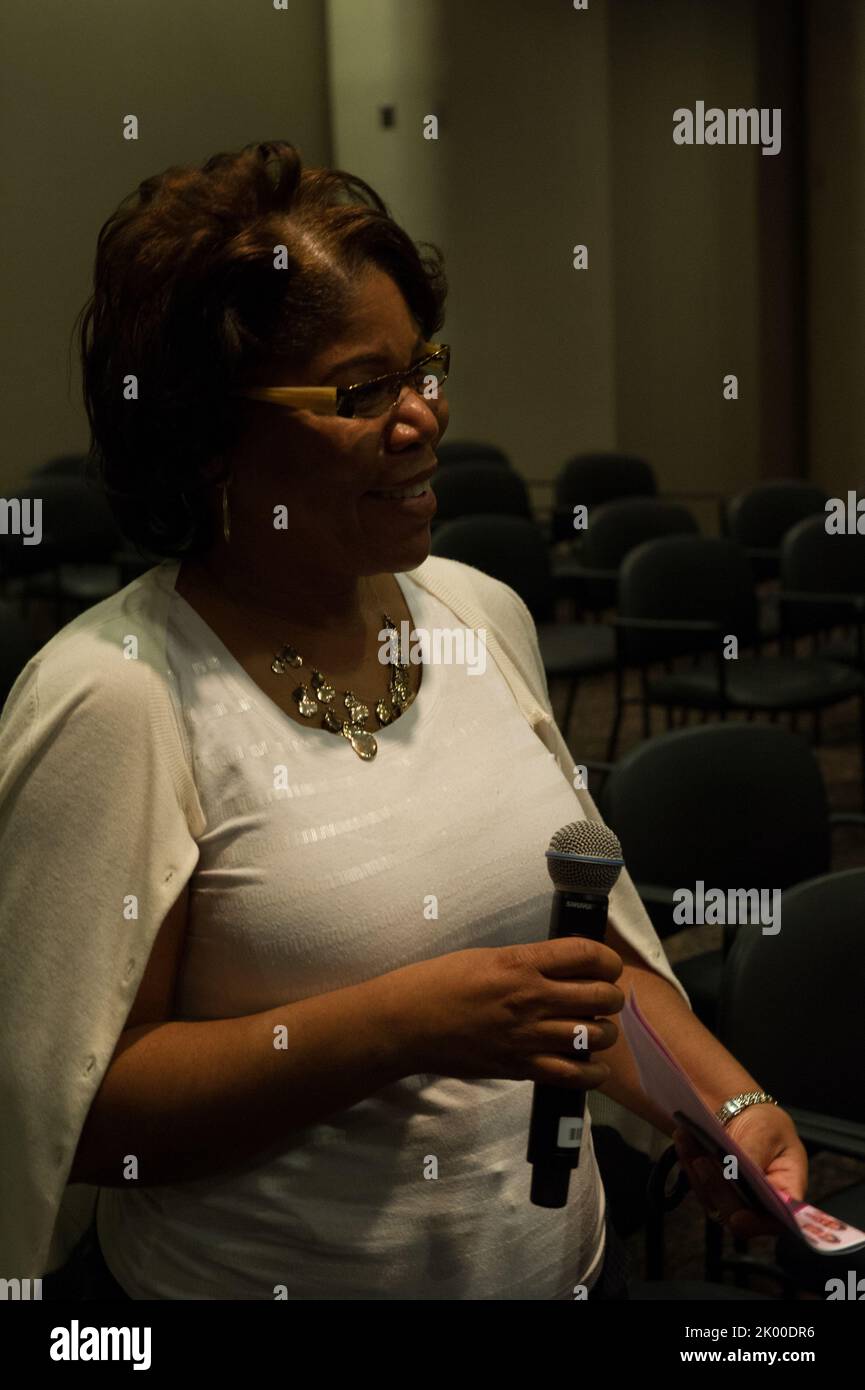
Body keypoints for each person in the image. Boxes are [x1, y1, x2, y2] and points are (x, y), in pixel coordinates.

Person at [0, 141, 808, 1300]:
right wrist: (406, 1023)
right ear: (212, 433)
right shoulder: (116, 696)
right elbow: (84, 1117)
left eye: (422, 368)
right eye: (361, 390)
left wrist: (729, 1099)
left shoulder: (478, 614)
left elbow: (580, 973)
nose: (425, 415)